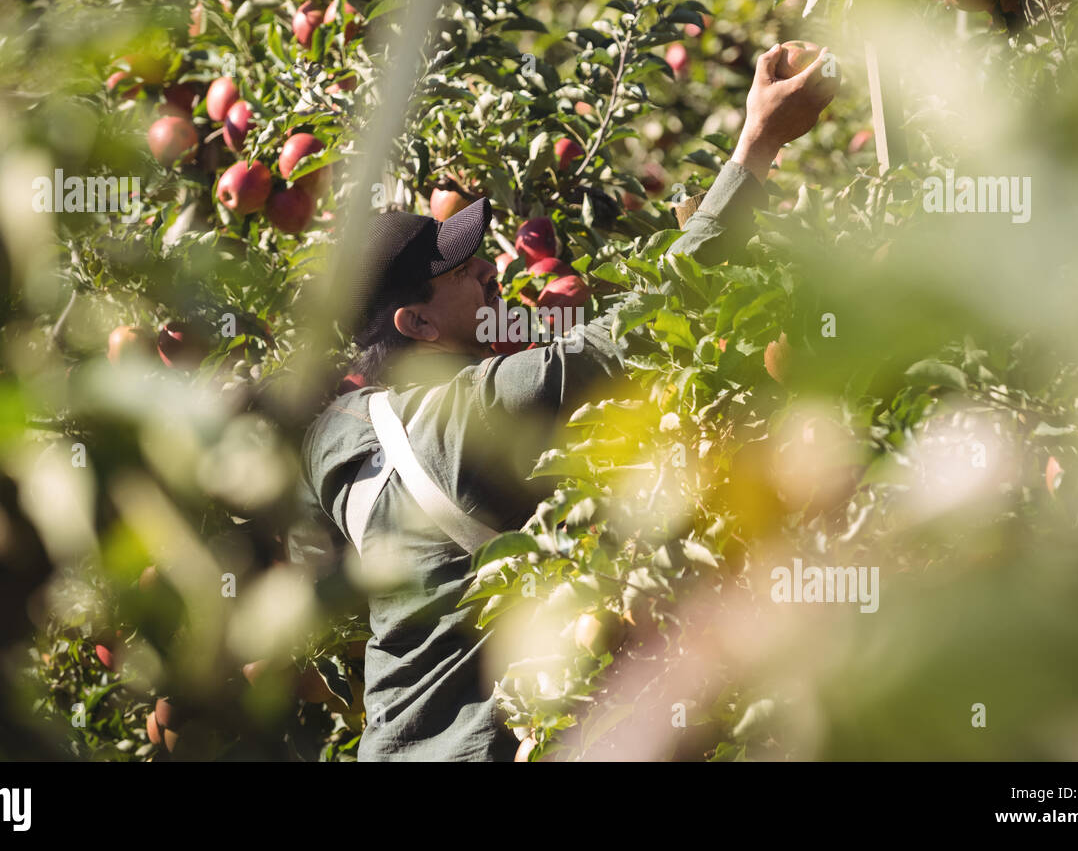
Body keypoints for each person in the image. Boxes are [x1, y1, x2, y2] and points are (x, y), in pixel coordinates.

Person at [299, 42, 836, 760]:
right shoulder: (473, 414)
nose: (488, 269)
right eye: (459, 270)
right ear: (417, 324)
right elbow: (643, 326)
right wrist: (757, 143)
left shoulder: (331, 437)